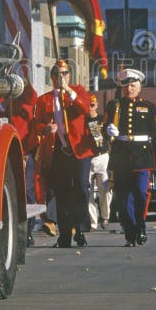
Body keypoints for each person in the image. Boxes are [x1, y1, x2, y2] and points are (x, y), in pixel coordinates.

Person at [29, 60, 95, 248]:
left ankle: (80, 230)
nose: (61, 76)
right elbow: (37, 124)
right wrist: (46, 128)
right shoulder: (44, 99)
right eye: (58, 73)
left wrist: (68, 90)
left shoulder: (78, 91)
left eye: (65, 73)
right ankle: (64, 234)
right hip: (58, 150)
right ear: (52, 77)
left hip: (79, 150)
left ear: (69, 75)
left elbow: (84, 108)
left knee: (81, 188)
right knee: (63, 193)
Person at [104, 69, 156, 247]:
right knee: (124, 198)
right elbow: (104, 127)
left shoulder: (148, 107)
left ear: (139, 87)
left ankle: (140, 224)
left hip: (142, 156)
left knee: (141, 192)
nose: (129, 89)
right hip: (121, 156)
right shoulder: (114, 105)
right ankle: (130, 231)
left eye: (132, 85)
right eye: (126, 85)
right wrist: (108, 130)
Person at [86, 94, 112, 231]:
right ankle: (92, 222)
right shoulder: (82, 120)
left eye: (92, 105)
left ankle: (105, 216)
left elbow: (104, 137)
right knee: (88, 192)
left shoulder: (102, 119)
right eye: (87, 105)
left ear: (96, 105)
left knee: (105, 189)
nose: (90, 108)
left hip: (102, 156)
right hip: (88, 158)